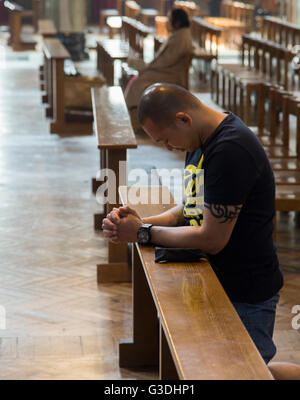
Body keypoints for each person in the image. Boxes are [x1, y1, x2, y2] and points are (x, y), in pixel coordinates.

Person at [103, 82, 284, 365]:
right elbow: (191, 208)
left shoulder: (230, 150)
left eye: (164, 138)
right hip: (216, 281)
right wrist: (138, 222)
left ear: (182, 118)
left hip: (245, 292)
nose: (167, 146)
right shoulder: (200, 138)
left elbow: (211, 239)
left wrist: (142, 233)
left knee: (246, 372)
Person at [125, 8, 193, 131]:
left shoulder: (181, 37)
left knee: (139, 83)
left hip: (171, 75)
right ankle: (137, 117)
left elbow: (166, 61)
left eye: (169, 20)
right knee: (139, 77)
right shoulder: (179, 34)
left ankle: (140, 119)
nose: (166, 23)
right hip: (167, 71)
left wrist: (146, 67)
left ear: (177, 23)